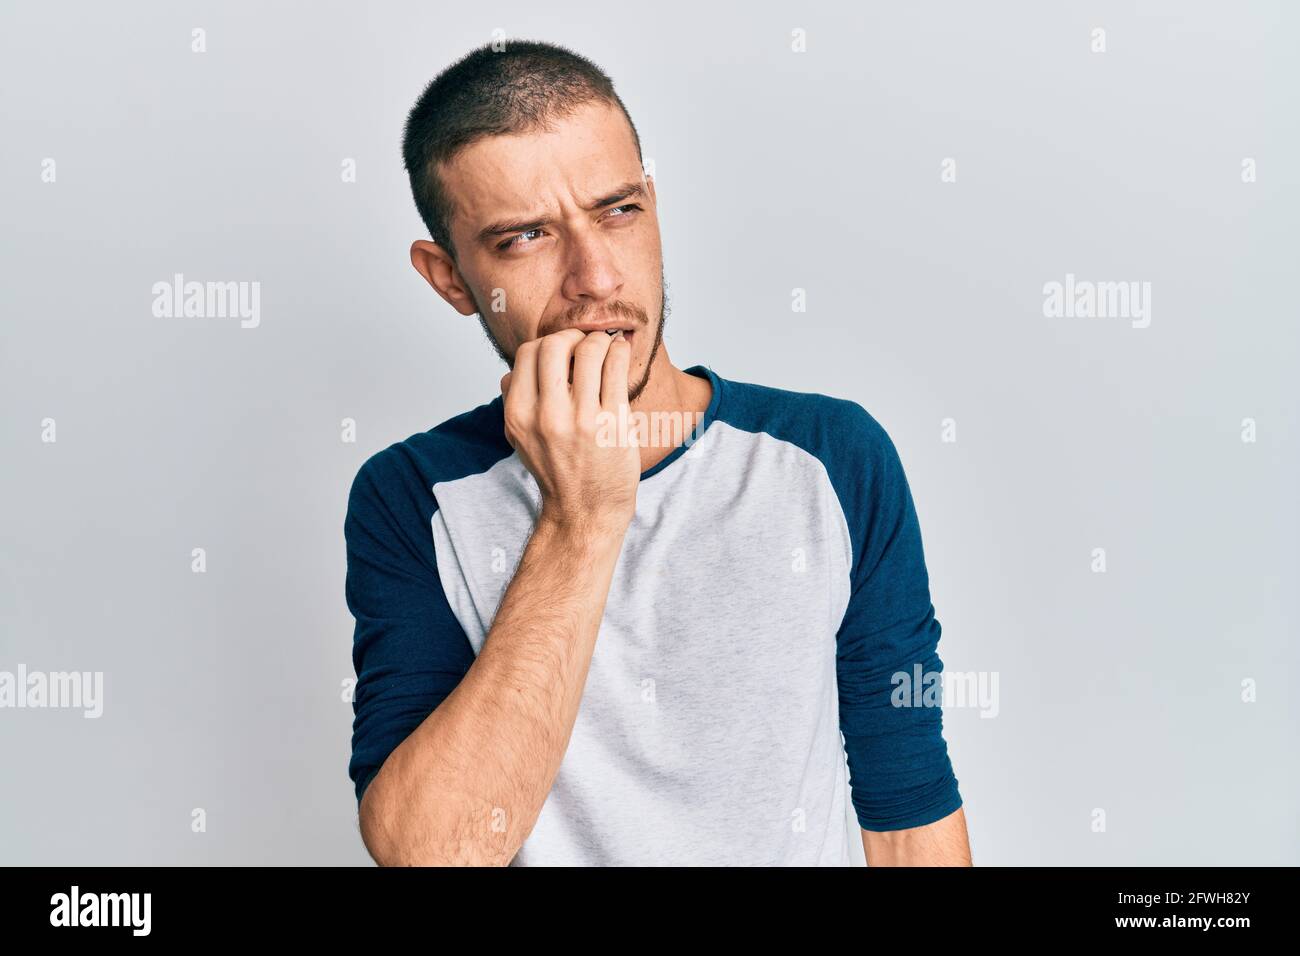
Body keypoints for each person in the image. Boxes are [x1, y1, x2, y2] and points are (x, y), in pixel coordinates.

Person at [344, 39, 971, 866]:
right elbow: (433, 854)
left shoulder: (832, 457)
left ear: (654, 203)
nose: (597, 278)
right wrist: (585, 518)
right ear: (451, 278)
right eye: (526, 235)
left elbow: (908, 811)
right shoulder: (415, 497)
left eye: (617, 210)